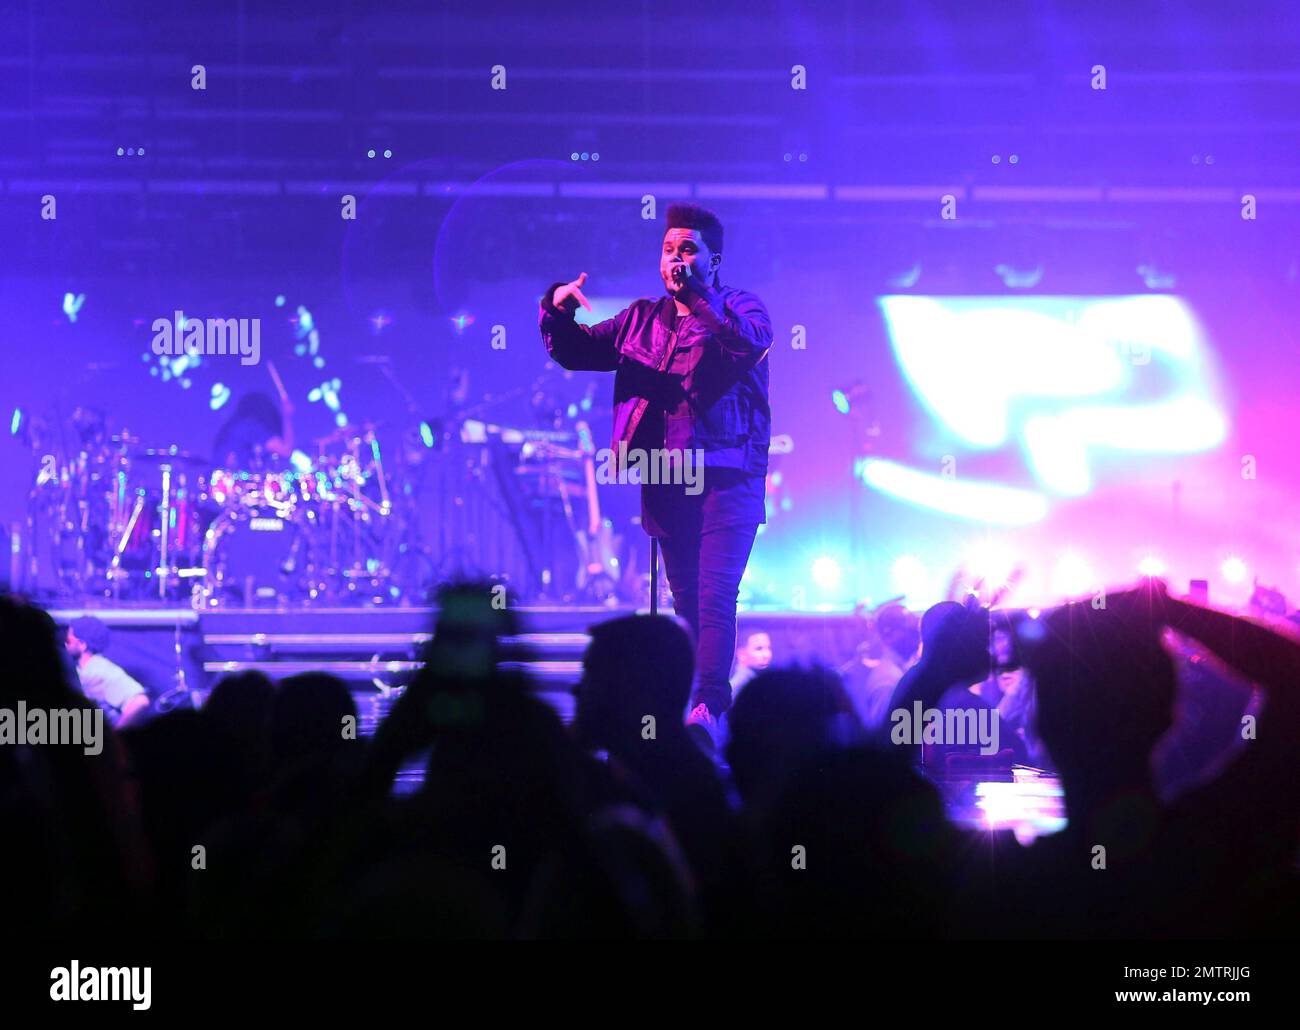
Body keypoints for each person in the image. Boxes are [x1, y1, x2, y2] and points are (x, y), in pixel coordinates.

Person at [540, 202, 772, 728]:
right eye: (668, 250)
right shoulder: (640, 319)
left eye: (687, 250)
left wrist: (699, 299)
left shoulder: (741, 309)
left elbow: (751, 343)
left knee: (716, 595)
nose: (675, 259)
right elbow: (578, 352)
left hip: (727, 471)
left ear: (714, 259)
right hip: (668, 473)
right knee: (685, 595)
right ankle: (688, 699)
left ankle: (710, 704)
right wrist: (558, 310)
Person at [64, 616, 151, 728]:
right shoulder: (82, 670)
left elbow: (140, 702)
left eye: (68, 640)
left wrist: (116, 736)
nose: (65, 644)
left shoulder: (100, 669)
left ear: (82, 644)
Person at [729, 628, 772, 699]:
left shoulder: (755, 678)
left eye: (769, 648)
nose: (766, 655)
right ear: (741, 654)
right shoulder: (743, 681)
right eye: (759, 649)